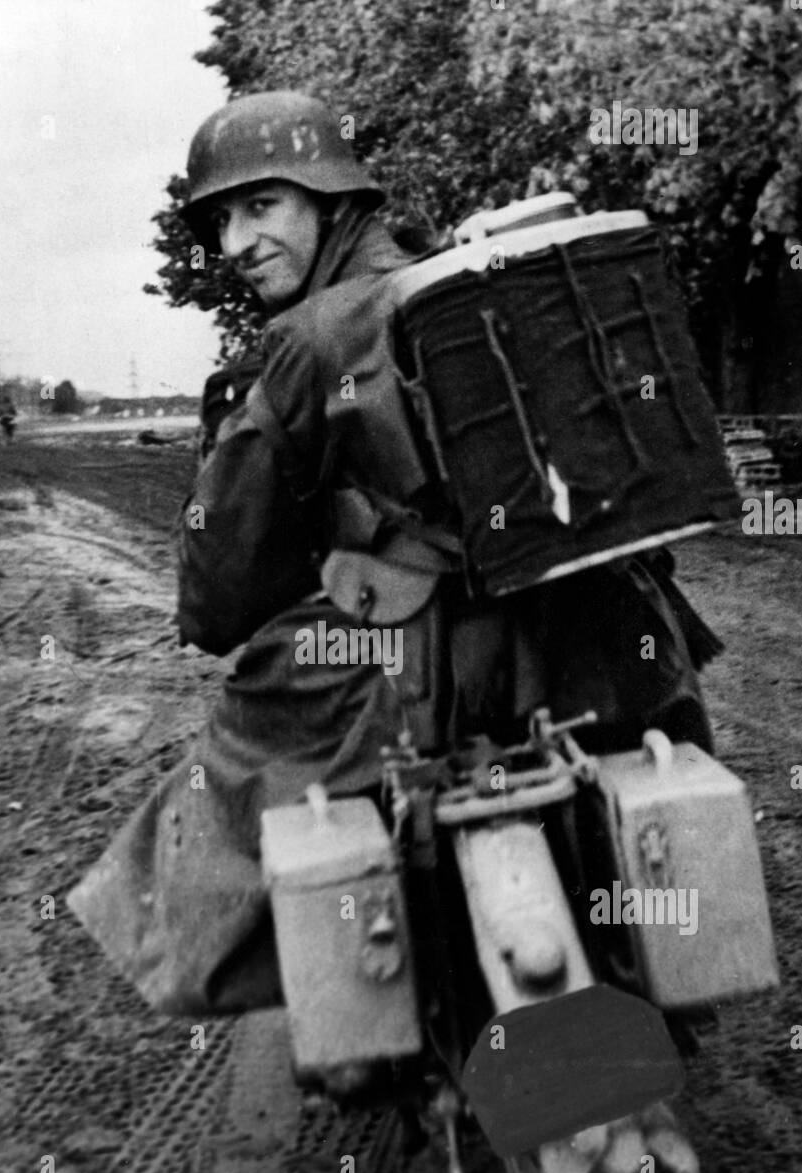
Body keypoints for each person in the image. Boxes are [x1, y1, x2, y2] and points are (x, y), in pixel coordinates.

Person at [67, 90, 719, 1022]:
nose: (234, 243)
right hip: (587, 639)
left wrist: (240, 613)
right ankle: (658, 972)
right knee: (654, 755)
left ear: (332, 203)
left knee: (233, 773)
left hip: (406, 669)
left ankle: (355, 997)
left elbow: (225, 574)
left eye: (262, 206)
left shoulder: (306, 339)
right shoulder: (472, 284)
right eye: (220, 220)